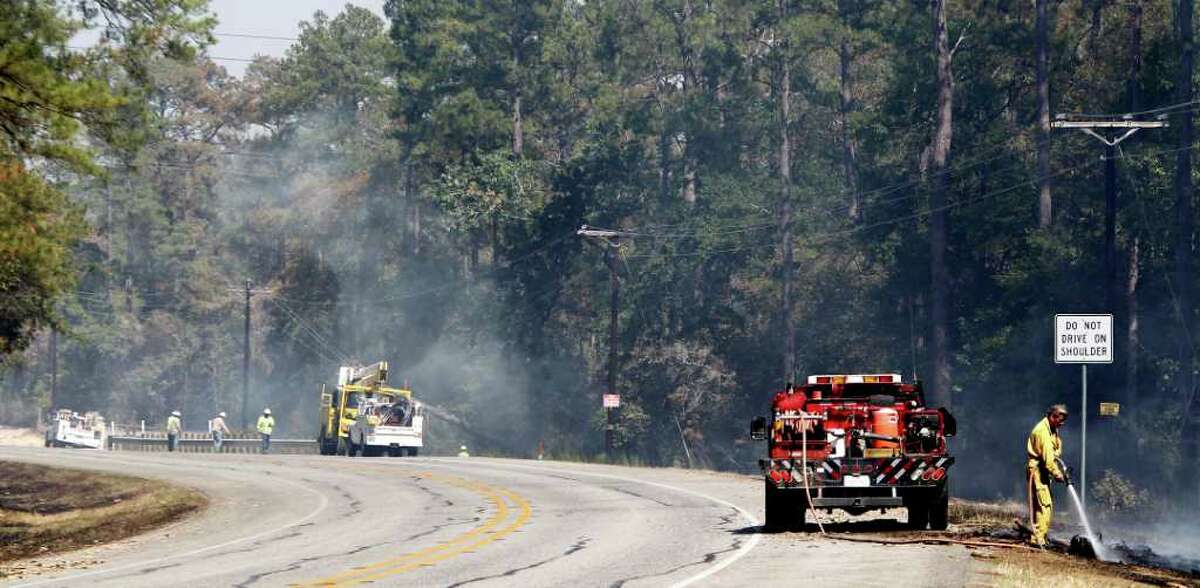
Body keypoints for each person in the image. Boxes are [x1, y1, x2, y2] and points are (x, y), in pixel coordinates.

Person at [1026, 404, 1068, 547]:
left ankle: (1039, 537)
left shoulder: (1051, 429)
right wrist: (1058, 474)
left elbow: (1056, 447)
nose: (1062, 424)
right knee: (1044, 505)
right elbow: (1048, 461)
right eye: (1060, 420)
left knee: (1043, 505)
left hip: (1042, 470)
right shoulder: (1043, 432)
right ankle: (1037, 539)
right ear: (1052, 416)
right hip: (1038, 471)